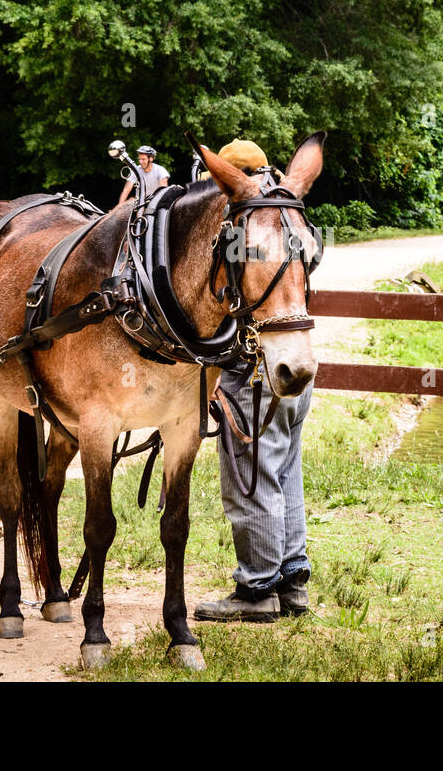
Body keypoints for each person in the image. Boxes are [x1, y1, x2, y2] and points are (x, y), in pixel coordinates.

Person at [194, 139, 314, 622]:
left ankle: (257, 591)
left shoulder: (244, 224)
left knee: (251, 475)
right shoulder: (288, 217)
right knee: (285, 471)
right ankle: (291, 584)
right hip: (296, 356)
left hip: (255, 366)